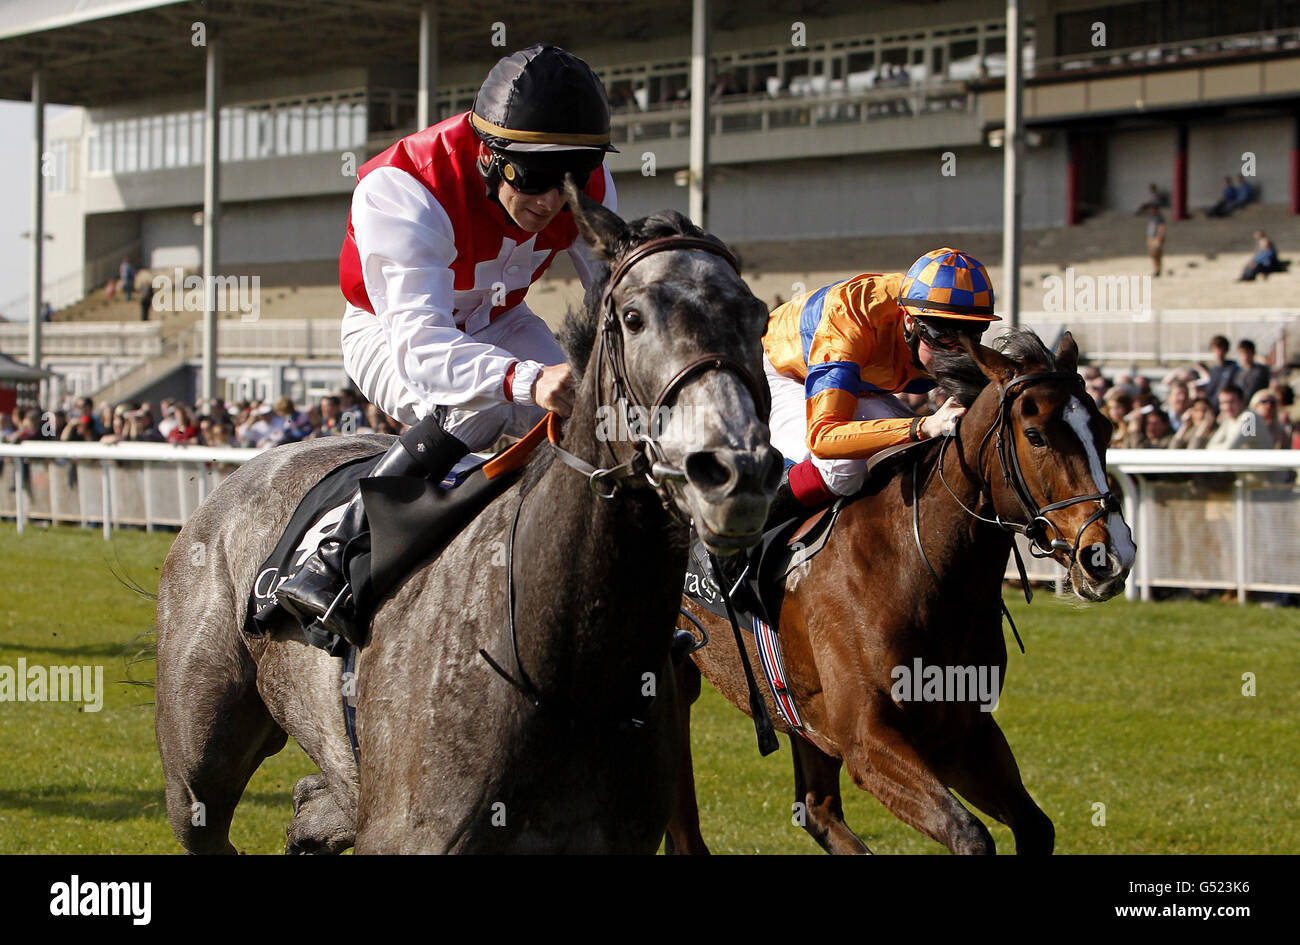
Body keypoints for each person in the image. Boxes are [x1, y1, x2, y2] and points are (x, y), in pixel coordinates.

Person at [276, 44, 620, 641]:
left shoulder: (585, 185)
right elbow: (425, 348)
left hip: (502, 321)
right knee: (474, 404)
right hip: (391, 331)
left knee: (605, 414)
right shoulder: (404, 185)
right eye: (532, 178)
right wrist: (531, 380)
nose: (549, 201)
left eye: (569, 180)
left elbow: (615, 296)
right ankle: (336, 547)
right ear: (489, 154)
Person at [760, 247, 995, 521]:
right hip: (783, 370)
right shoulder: (851, 322)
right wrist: (923, 425)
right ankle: (741, 523)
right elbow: (824, 437)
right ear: (910, 322)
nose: (955, 352)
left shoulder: (927, 326)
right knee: (842, 468)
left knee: (916, 453)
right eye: (941, 336)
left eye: (970, 335)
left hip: (859, 380)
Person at [1206, 385, 1270, 450]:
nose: (1227, 407)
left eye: (1231, 402)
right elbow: (1210, 447)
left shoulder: (1250, 418)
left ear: (1242, 401)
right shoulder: (1229, 419)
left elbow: (1229, 449)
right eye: (1223, 403)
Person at [1196, 335, 1238, 402]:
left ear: (1226, 350)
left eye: (1221, 348)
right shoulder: (1213, 370)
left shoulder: (1233, 368)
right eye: (1216, 348)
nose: (1219, 352)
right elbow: (1209, 390)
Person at [1145, 205, 1166, 277]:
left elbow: (1161, 228)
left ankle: (1158, 270)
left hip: (1156, 238)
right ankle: (1156, 269)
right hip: (1151, 238)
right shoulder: (1152, 217)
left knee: (1157, 255)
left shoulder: (1159, 217)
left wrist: (1159, 238)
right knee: (1152, 255)